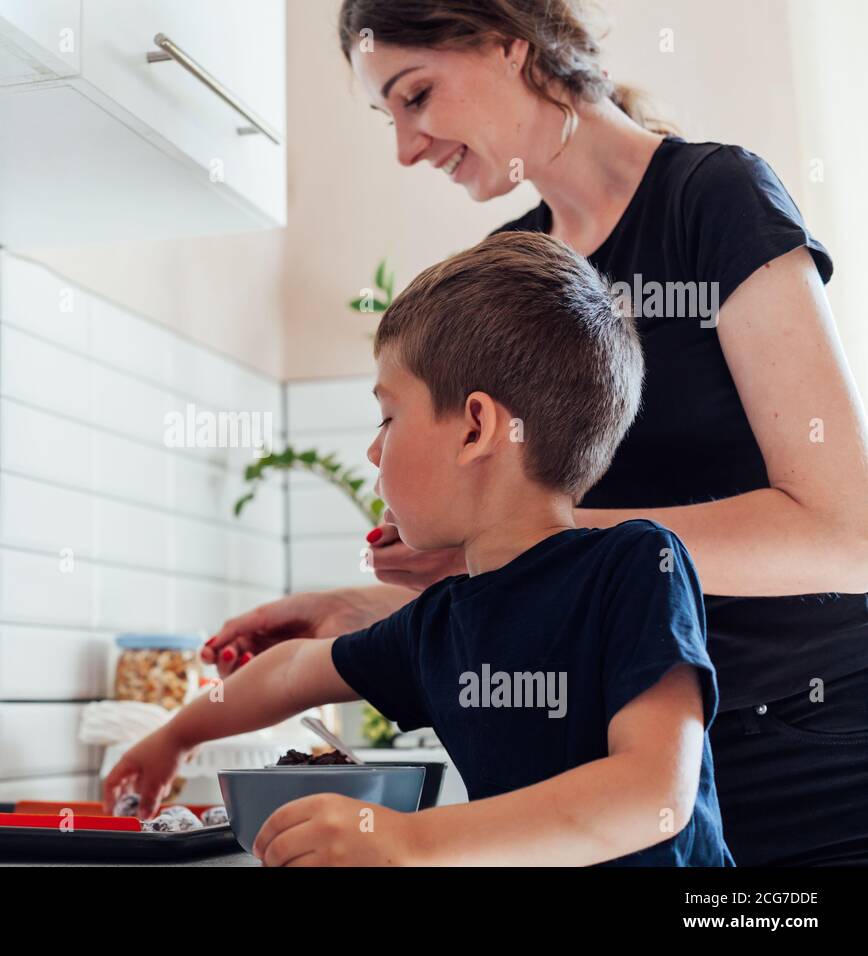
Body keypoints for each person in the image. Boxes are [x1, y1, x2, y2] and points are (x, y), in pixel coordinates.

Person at [206, 0, 868, 866]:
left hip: (804, 757)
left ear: (506, 42)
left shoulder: (715, 200)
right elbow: (543, 565)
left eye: (415, 95)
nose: (407, 146)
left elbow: (844, 534)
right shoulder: (521, 268)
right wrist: (361, 615)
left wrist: (537, 544)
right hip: (601, 776)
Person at [105, 232, 733, 866]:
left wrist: (408, 840)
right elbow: (294, 670)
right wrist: (172, 739)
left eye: (387, 418)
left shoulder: (635, 567)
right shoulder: (442, 621)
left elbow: (653, 794)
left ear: (473, 428)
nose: (374, 451)